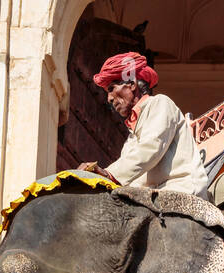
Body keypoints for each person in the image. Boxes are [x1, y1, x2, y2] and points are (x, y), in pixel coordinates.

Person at [79, 51, 209, 199]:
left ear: (132, 84)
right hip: (152, 195)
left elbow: (150, 147)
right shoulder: (131, 136)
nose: (109, 98)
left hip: (181, 189)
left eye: (112, 88)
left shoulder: (160, 103)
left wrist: (108, 175)